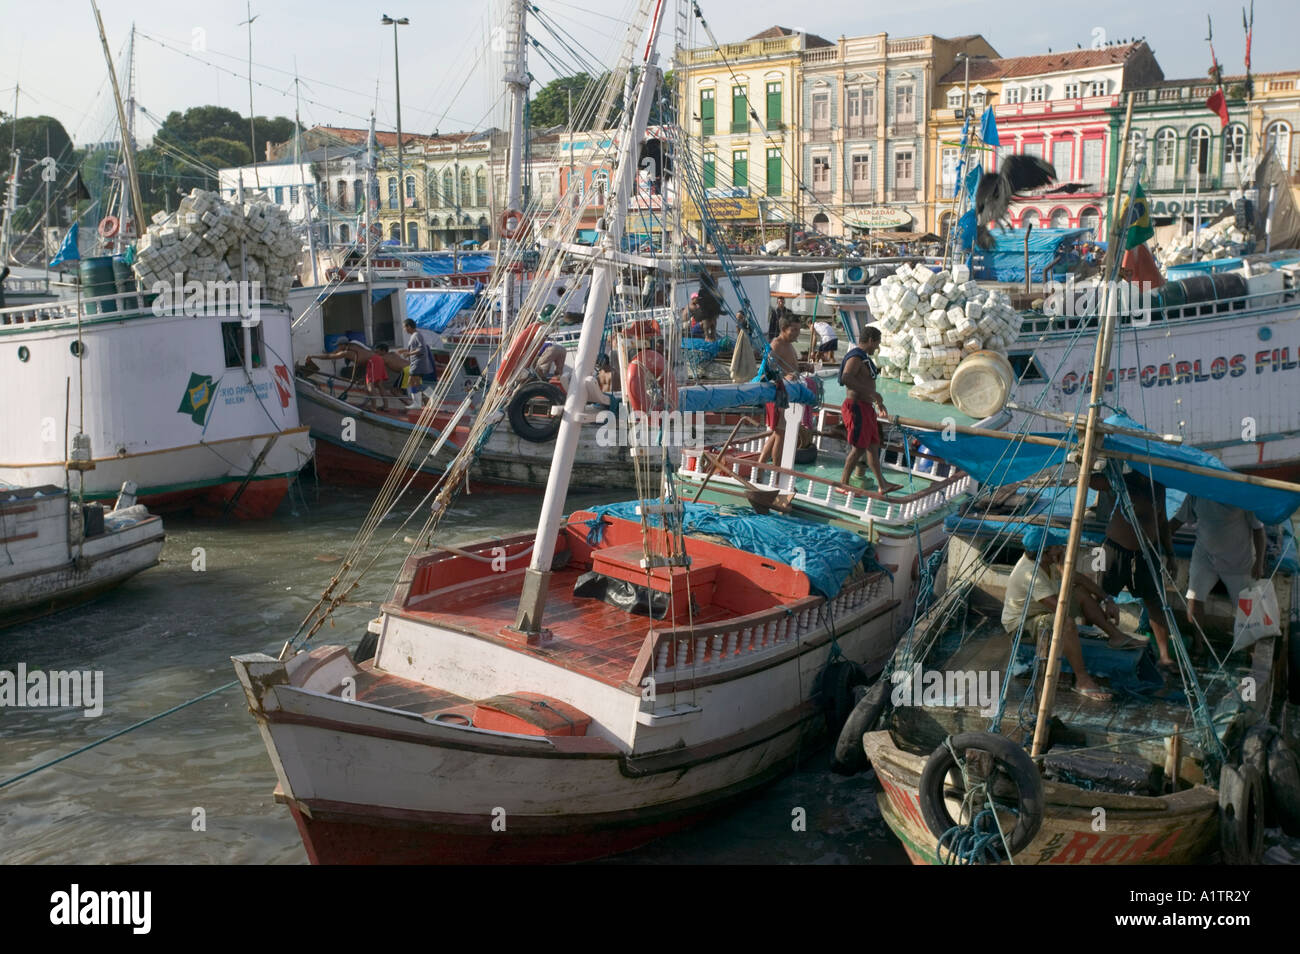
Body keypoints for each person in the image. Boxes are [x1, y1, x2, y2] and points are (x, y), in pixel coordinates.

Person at [1003, 526, 1123, 701]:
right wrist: (1063, 566)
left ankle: (1117, 636)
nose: (1061, 548)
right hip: (1022, 626)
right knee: (1065, 623)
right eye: (1056, 547)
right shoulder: (1030, 574)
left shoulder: (1045, 561)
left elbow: (1077, 578)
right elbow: (1060, 610)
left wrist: (1106, 599)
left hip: (1041, 611)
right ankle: (1082, 680)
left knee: (1080, 591)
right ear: (1046, 553)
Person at [1099, 470, 1178, 673]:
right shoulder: (1122, 481)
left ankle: (1164, 656)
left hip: (1146, 553)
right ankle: (1094, 641)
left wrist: (1170, 555)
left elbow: (1162, 522)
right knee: (1099, 597)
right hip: (1113, 549)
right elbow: (1093, 482)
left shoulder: (1158, 487)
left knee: (1155, 602)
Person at [1169, 496, 1266, 640]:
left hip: (1239, 560)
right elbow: (1176, 522)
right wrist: (1154, 537)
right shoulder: (1196, 493)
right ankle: (1198, 643)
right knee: (1194, 599)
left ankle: (1248, 649)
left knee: (1246, 607)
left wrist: (1259, 562)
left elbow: (1259, 530)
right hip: (1205, 556)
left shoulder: (1243, 495)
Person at [837, 326, 901, 493]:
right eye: (877, 343)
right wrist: (872, 393)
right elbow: (846, 378)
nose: (877, 348)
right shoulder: (856, 358)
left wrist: (877, 402)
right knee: (858, 448)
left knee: (873, 445)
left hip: (866, 408)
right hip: (856, 408)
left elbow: (865, 384)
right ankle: (843, 484)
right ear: (871, 340)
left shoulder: (863, 358)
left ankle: (882, 485)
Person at [758, 315, 803, 466]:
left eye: (798, 329)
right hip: (778, 394)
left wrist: (803, 368)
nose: (797, 333)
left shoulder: (789, 344)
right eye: (794, 329)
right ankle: (776, 473)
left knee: (777, 433)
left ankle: (761, 467)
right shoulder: (777, 344)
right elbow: (768, 370)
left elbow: (789, 367)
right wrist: (785, 376)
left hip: (787, 394)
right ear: (784, 329)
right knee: (780, 434)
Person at [399, 318, 436, 409]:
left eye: (405, 327)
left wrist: (408, 354)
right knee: (414, 382)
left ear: (409, 326)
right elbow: (415, 348)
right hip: (417, 362)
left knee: (411, 382)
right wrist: (404, 351)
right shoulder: (415, 335)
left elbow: (421, 349)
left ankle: (425, 400)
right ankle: (424, 400)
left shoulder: (417, 335)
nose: (404, 330)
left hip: (418, 363)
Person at [363, 343, 393, 410]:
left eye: (377, 349)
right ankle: (386, 406)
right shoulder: (381, 358)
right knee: (380, 387)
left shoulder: (373, 356)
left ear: (380, 350)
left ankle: (373, 407)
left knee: (370, 387)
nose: (375, 350)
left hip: (373, 370)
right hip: (379, 371)